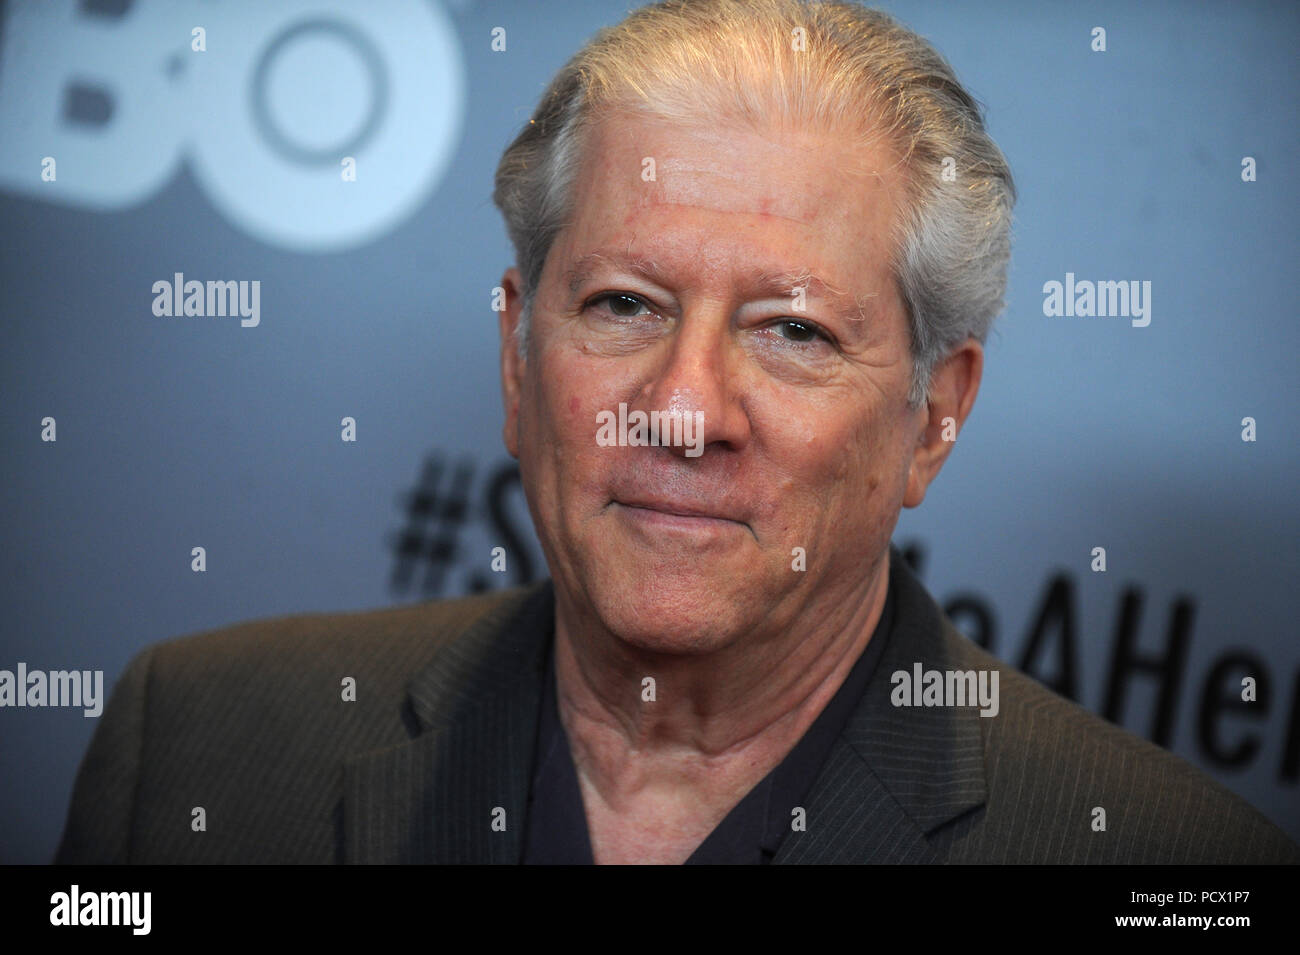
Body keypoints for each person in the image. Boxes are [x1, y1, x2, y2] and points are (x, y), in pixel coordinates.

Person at [56, 0, 1296, 864]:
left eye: (792, 331)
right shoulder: (198, 748)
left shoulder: (1160, 865)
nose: (685, 408)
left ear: (935, 415)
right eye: (623, 305)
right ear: (514, 355)